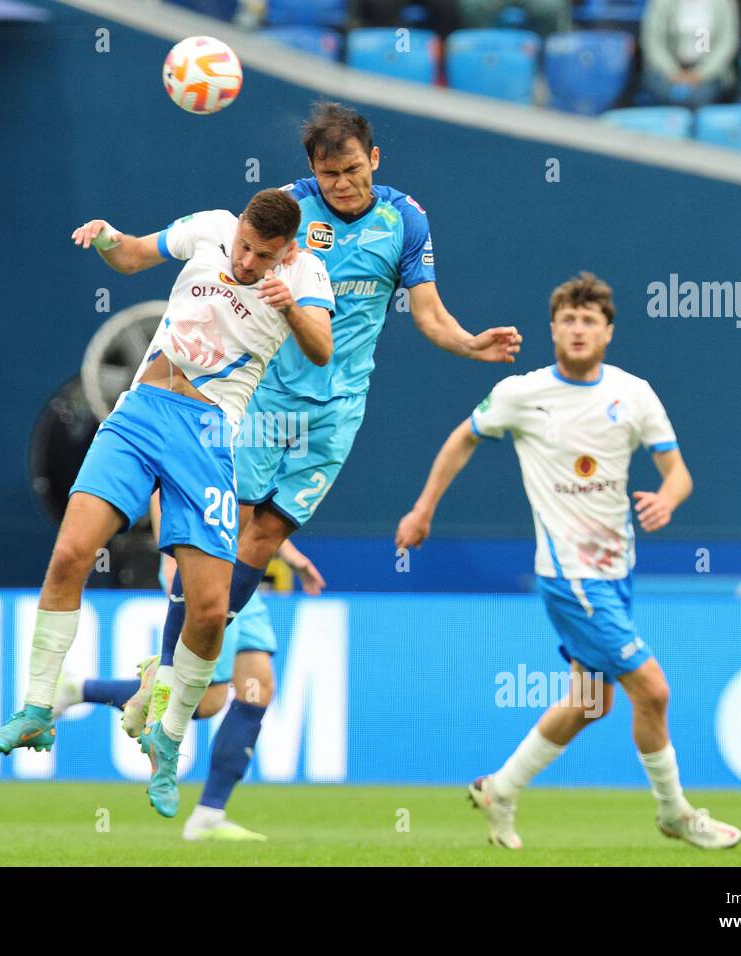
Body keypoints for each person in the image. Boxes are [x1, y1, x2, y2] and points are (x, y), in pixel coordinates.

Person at [137, 101, 521, 838]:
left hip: (335, 415)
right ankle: (166, 684)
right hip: (261, 398)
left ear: (374, 158)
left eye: (350, 171)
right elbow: (235, 274)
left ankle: (180, 687)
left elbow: (428, 312)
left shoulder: (406, 221)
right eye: (328, 173)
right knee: (223, 542)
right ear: (312, 172)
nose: (340, 185)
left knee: (260, 545)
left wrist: (470, 344)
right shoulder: (290, 209)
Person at [0, 189, 336, 819]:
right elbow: (137, 256)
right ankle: (35, 709)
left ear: (286, 250)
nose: (246, 261)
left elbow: (322, 349)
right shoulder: (213, 227)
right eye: (245, 245)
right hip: (139, 413)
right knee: (69, 554)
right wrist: (111, 238)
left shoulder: (305, 273)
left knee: (210, 607)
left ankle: (166, 743)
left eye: (262, 255)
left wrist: (293, 309)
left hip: (208, 435)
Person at [395, 272, 741, 850]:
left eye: (590, 321)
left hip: (616, 572)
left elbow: (678, 471)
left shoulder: (634, 394)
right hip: (568, 576)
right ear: (553, 329)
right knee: (652, 691)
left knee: (590, 702)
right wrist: (423, 508)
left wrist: (667, 499)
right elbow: (464, 437)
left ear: (608, 332)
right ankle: (674, 811)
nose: (579, 329)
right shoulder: (522, 393)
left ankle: (500, 787)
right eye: (568, 320)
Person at [53, 492, 327, 841]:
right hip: (205, 573)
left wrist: (289, 555)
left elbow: (253, 511)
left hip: (242, 576)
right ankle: (79, 690)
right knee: (207, 702)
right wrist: (172, 557)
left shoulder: (248, 443)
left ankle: (210, 813)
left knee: (258, 685)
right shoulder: (209, 437)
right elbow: (162, 484)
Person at [641, 0, 741, 107]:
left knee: (699, 97)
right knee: (667, 94)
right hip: (668, 71)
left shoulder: (723, 3)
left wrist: (700, 74)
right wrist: (673, 72)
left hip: (710, 73)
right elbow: (653, 43)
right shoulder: (661, 3)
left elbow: (726, 44)